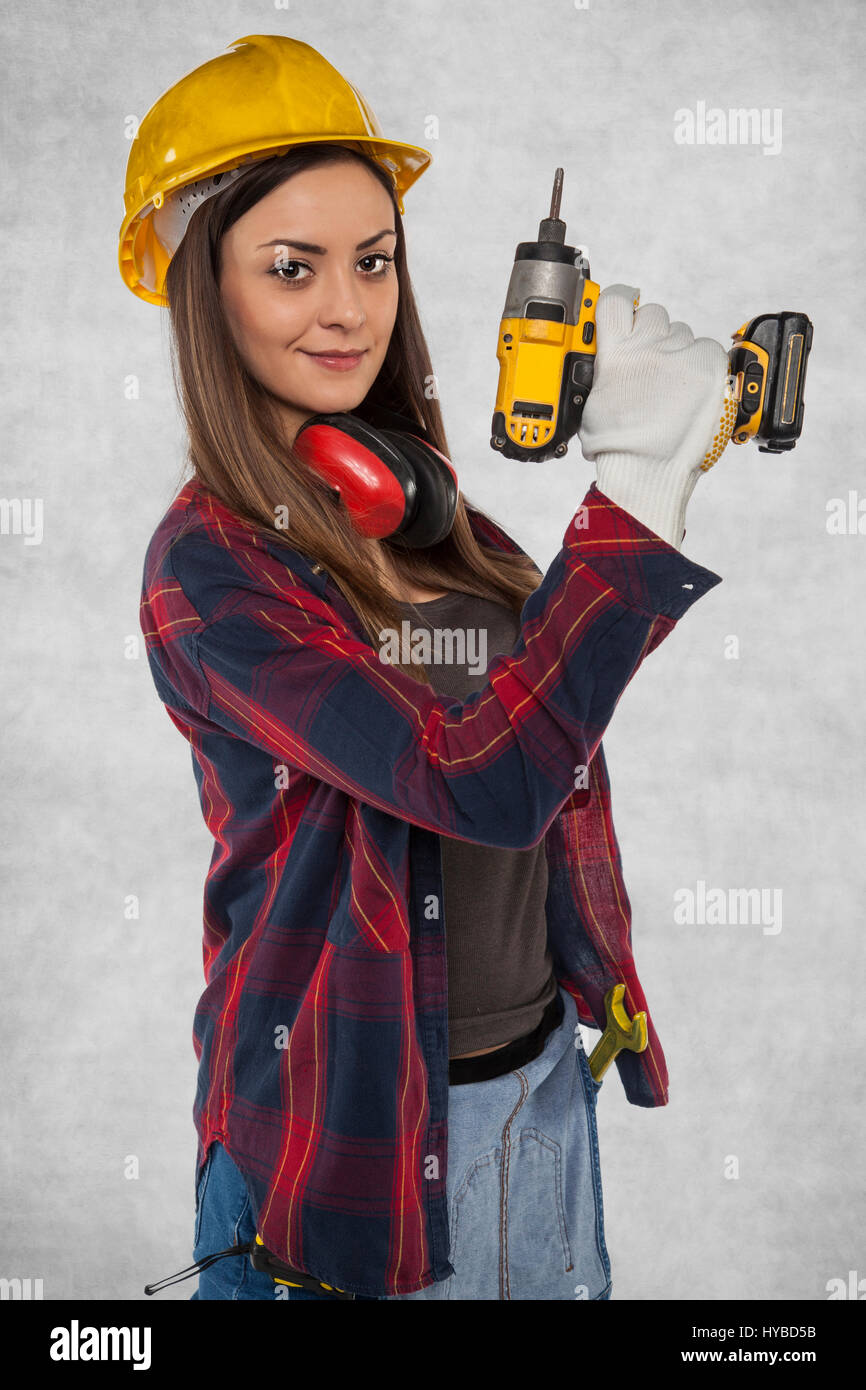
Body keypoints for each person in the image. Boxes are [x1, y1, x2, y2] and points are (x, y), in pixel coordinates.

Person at [121, 35, 734, 1301]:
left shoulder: (419, 506)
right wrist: (632, 507)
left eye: (373, 259)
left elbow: (545, 716)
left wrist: (647, 492)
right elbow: (478, 779)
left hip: (537, 1101)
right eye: (290, 269)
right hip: (350, 1140)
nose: (347, 307)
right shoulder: (213, 574)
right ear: (204, 292)